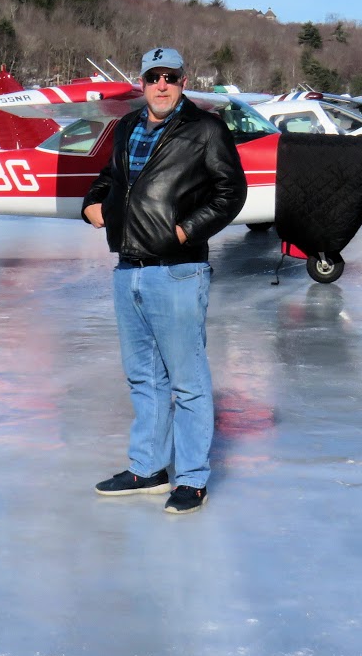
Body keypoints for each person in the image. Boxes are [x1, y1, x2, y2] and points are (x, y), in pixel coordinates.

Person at [82, 47, 248, 515]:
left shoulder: (205, 129)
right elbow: (108, 177)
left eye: (170, 76)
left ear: (182, 80)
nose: (161, 84)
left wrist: (184, 231)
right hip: (128, 267)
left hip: (177, 270)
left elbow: (230, 192)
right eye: (153, 76)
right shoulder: (127, 126)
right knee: (142, 377)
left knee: (187, 381)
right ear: (141, 81)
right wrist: (93, 205)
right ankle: (148, 468)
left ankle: (192, 479)